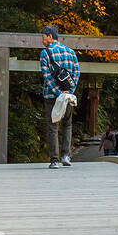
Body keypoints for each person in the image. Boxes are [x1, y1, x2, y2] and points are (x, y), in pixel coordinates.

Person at [39, 25, 80, 169]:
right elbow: (76, 72)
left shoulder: (45, 53)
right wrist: (69, 91)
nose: (42, 40)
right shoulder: (70, 52)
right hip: (69, 96)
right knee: (67, 124)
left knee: (53, 126)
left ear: (50, 36)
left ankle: (54, 160)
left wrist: (58, 93)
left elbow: (47, 76)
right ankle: (66, 156)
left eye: (43, 37)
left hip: (51, 95)